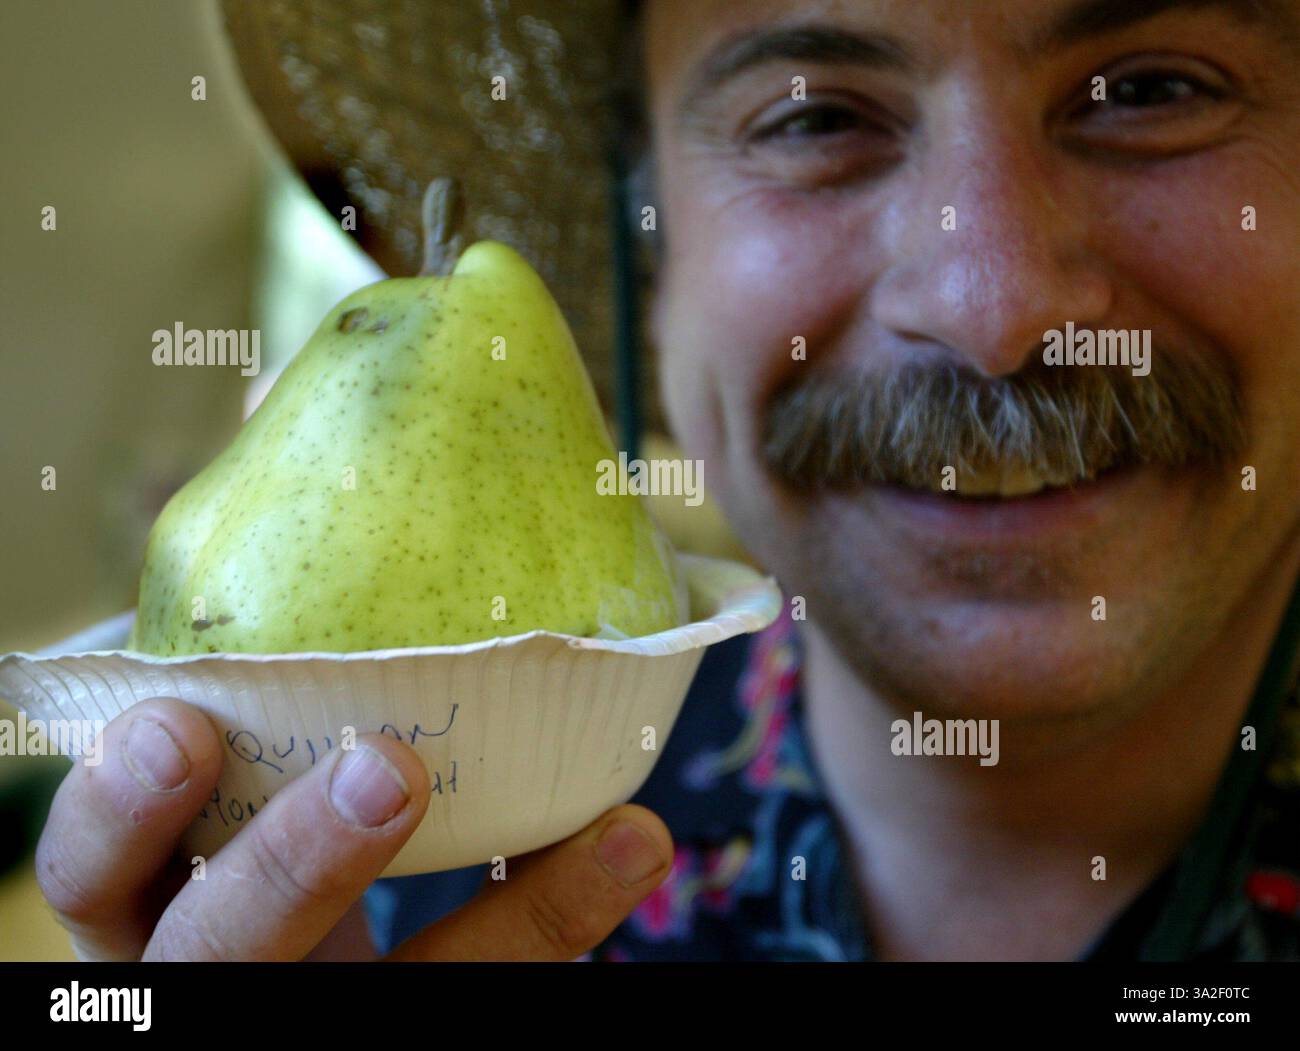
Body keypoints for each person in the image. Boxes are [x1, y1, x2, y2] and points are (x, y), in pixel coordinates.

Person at [33, 0, 1300, 961]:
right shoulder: (448, 842)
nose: (991, 307)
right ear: (654, 263)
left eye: (1148, 89)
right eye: (813, 116)